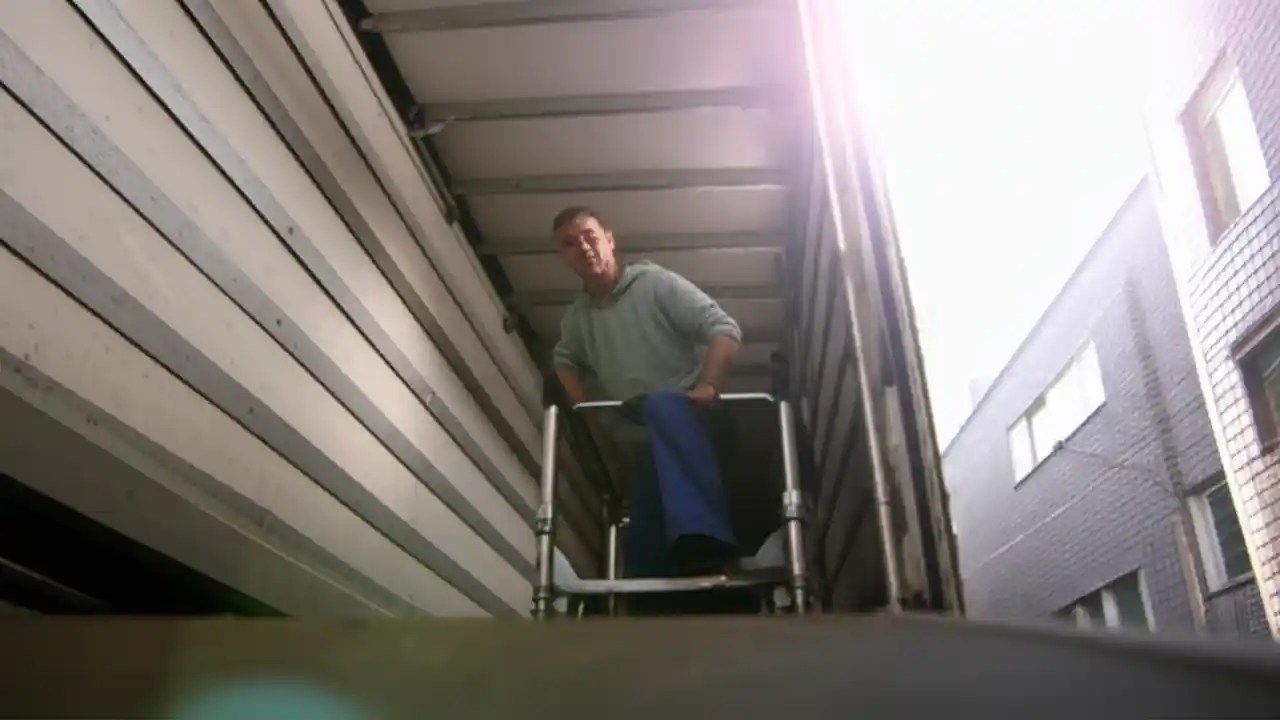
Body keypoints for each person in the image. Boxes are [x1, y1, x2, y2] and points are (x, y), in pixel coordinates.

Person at [550, 206, 743, 579]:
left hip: (696, 425)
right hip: (648, 450)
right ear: (564, 257)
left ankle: (705, 540)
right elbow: (563, 361)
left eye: (590, 236)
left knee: (660, 406)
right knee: (644, 546)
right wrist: (583, 408)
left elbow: (725, 329)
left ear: (610, 239)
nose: (584, 248)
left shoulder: (653, 284)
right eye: (571, 244)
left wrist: (708, 386)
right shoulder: (577, 319)